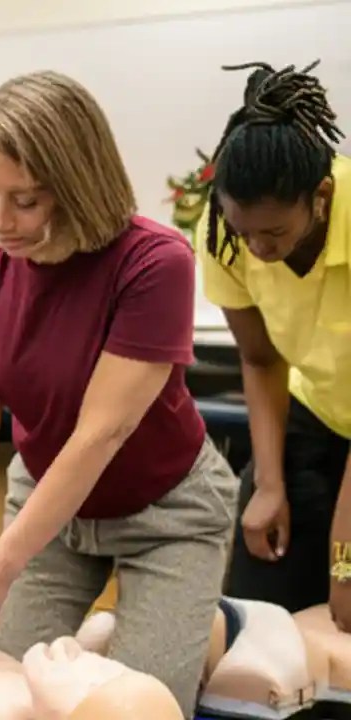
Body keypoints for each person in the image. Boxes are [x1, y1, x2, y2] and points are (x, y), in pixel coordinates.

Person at [0, 71, 237, 718]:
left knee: (137, 708)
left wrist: (1, 569)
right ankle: (113, 634)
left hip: (167, 513)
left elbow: (99, 434)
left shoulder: (154, 262)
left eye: (25, 200)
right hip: (48, 507)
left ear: (77, 183)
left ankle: (212, 628)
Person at [197, 62, 351, 625]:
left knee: (345, 601)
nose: (257, 248)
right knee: (256, 612)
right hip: (315, 411)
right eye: (245, 232)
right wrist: (267, 485)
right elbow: (260, 359)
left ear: (321, 196)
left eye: (275, 234)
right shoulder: (224, 235)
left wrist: (345, 562)